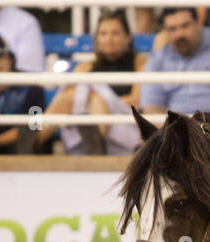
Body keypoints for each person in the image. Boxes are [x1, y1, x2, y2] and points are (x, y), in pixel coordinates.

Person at [34, 9, 143, 156]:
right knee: (69, 96)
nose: (109, 38)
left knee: (94, 97)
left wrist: (98, 101)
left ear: (127, 37)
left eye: (115, 33)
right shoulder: (85, 67)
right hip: (83, 130)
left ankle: (94, 143)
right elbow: (65, 101)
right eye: (103, 34)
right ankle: (33, 140)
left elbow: (136, 101)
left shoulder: (139, 63)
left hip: (124, 128)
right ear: (97, 39)